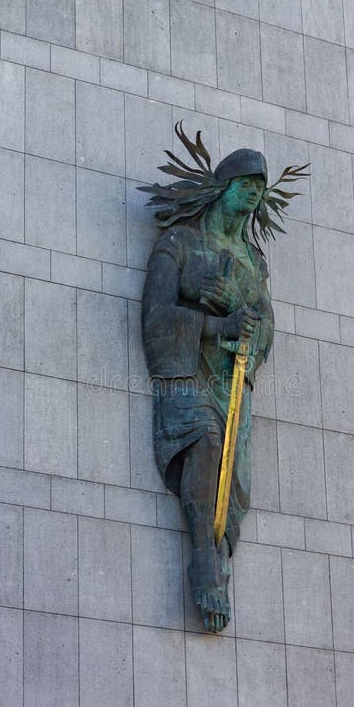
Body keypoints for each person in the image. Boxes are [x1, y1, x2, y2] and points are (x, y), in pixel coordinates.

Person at [141, 124, 308, 633]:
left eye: (259, 192)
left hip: (231, 378)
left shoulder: (254, 261)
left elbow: (265, 324)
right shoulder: (181, 242)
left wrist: (245, 324)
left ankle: (215, 551)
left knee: (232, 480)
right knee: (207, 444)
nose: (251, 197)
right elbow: (155, 317)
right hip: (186, 373)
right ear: (222, 188)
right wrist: (214, 324)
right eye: (244, 187)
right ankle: (204, 562)